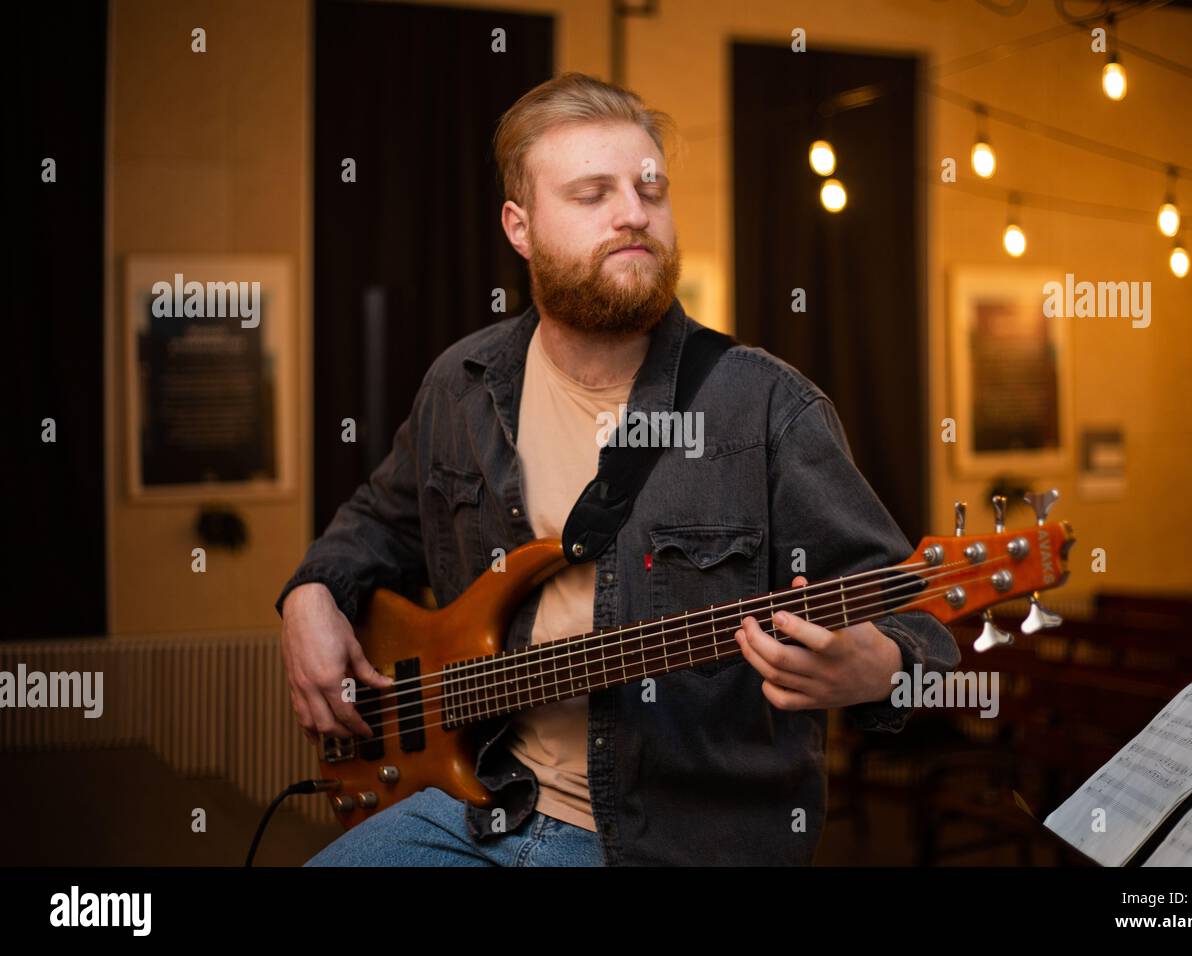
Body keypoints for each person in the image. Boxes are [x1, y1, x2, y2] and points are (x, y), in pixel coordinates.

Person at [276, 72, 959, 866]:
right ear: (519, 226)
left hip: (675, 841)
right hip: (474, 799)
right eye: (592, 193)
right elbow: (375, 522)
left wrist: (873, 667)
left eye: (649, 188)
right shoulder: (461, 388)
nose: (634, 213)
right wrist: (311, 593)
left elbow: (919, 613)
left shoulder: (767, 407)